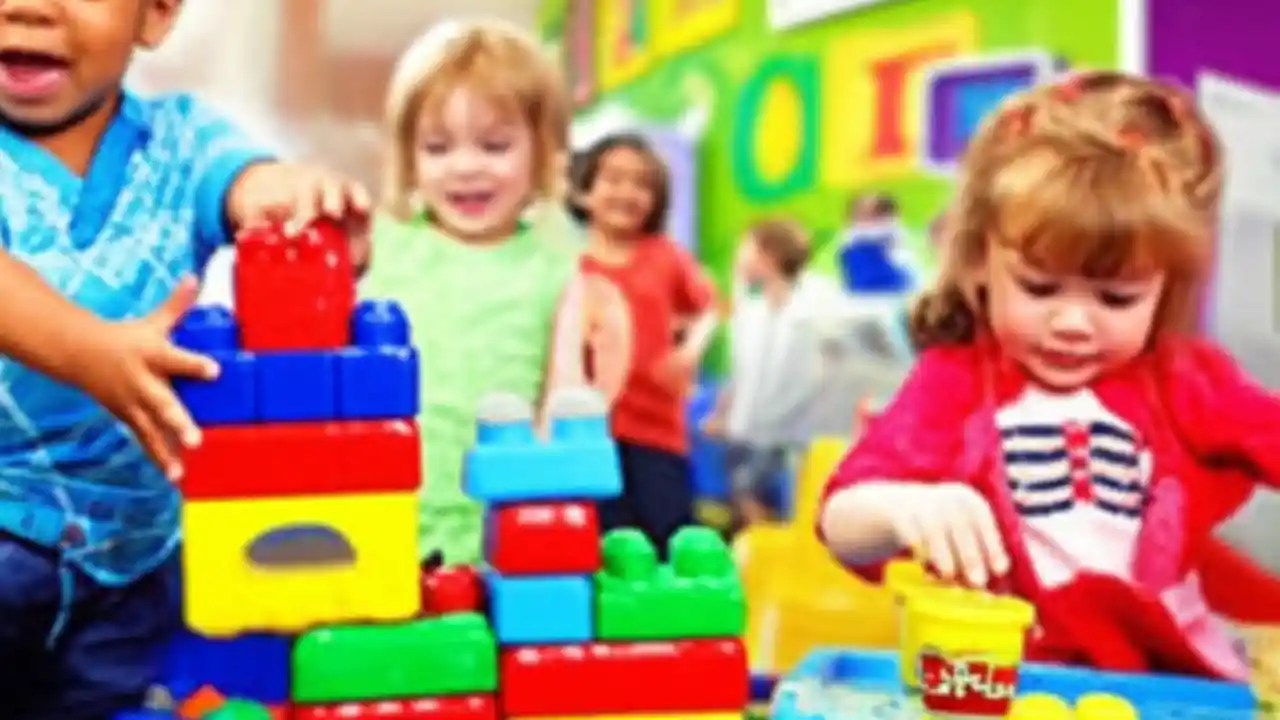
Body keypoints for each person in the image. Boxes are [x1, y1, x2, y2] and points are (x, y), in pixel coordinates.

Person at [818, 71, 1280, 680]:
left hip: (1166, 680)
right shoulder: (959, 380)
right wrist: (903, 503)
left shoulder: (1179, 379)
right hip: (1006, 673)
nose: (1072, 323)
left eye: (1116, 300)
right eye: (1039, 288)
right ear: (982, 260)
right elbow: (839, 520)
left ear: (1164, 289)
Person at [0, 1, 371, 718]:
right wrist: (92, 352)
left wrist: (295, 205)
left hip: (135, 558)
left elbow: (244, 183)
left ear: (157, 14)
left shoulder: (180, 140)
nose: (25, 7)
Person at [361, 21, 586, 566]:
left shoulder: (556, 264)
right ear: (409, 156)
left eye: (495, 145)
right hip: (382, 515)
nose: (465, 167)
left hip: (498, 528)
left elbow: (564, 393)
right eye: (437, 147)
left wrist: (549, 506)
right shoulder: (382, 243)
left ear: (543, 150)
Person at [572, 133, 718, 556]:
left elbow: (708, 308)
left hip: (658, 430)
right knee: (605, 549)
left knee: (669, 540)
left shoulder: (665, 256)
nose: (626, 192)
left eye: (642, 185)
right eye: (613, 179)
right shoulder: (568, 263)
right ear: (586, 191)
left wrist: (689, 353)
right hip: (591, 431)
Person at [704, 218, 822, 526]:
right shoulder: (753, 312)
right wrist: (721, 413)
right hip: (747, 430)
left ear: (769, 255)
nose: (740, 258)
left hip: (788, 432)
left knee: (758, 496)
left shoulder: (811, 310)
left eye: (747, 249)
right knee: (743, 500)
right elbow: (739, 371)